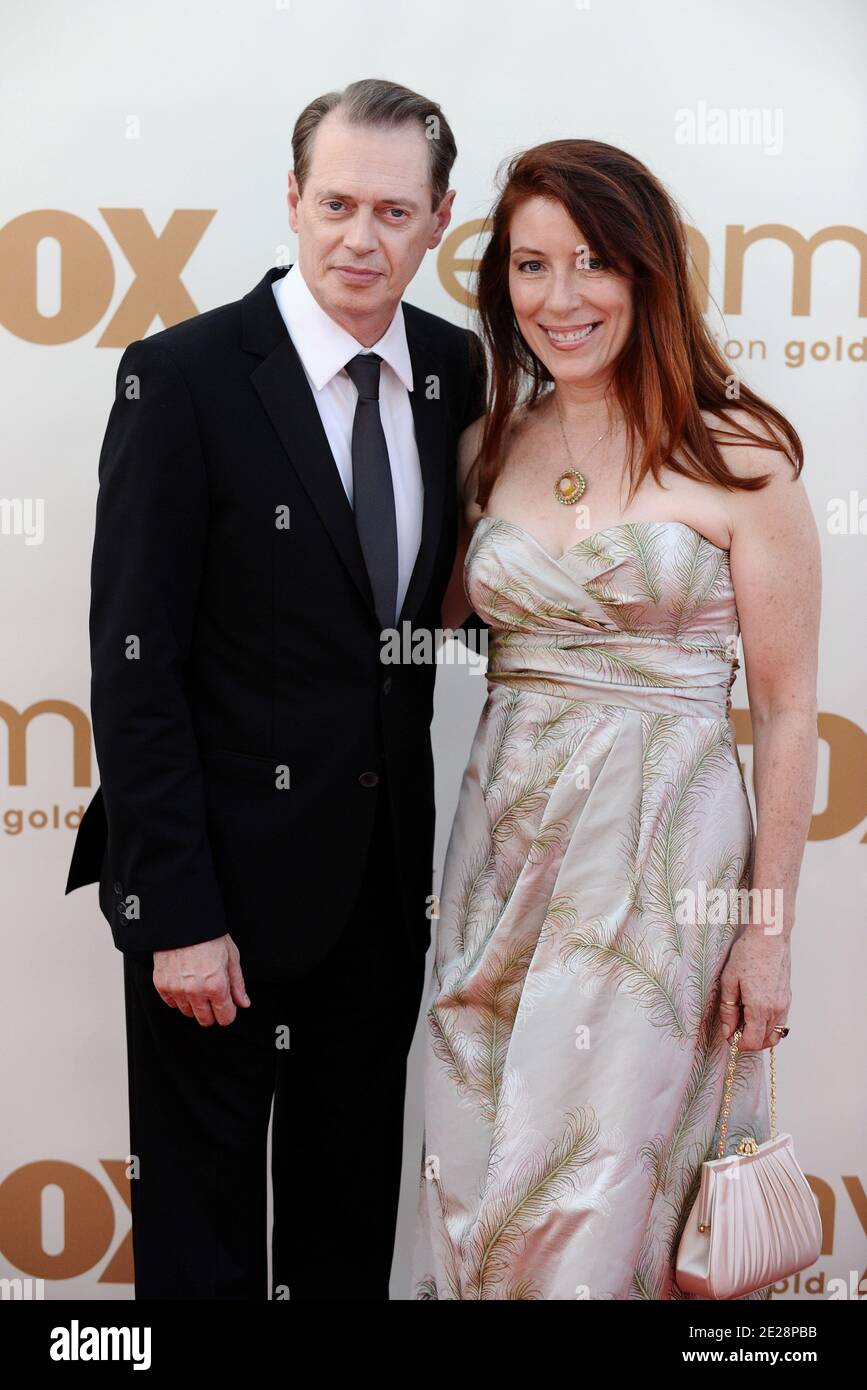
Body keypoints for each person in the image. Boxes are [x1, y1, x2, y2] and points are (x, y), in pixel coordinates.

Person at [64, 77, 487, 1300]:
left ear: (440, 218)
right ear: (292, 200)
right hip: (215, 895)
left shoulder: (458, 371)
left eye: (395, 211)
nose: (363, 236)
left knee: (345, 1222)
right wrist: (181, 912)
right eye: (338, 202)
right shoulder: (181, 378)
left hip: (378, 887)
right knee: (199, 1236)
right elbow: (132, 664)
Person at [412, 138, 820, 1300]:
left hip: (657, 869)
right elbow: (406, 623)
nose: (559, 298)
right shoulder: (488, 447)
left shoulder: (743, 452)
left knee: (598, 1181)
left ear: (647, 275)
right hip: (498, 864)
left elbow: (788, 713)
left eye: (591, 263)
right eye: (530, 268)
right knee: (475, 1153)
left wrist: (768, 929)